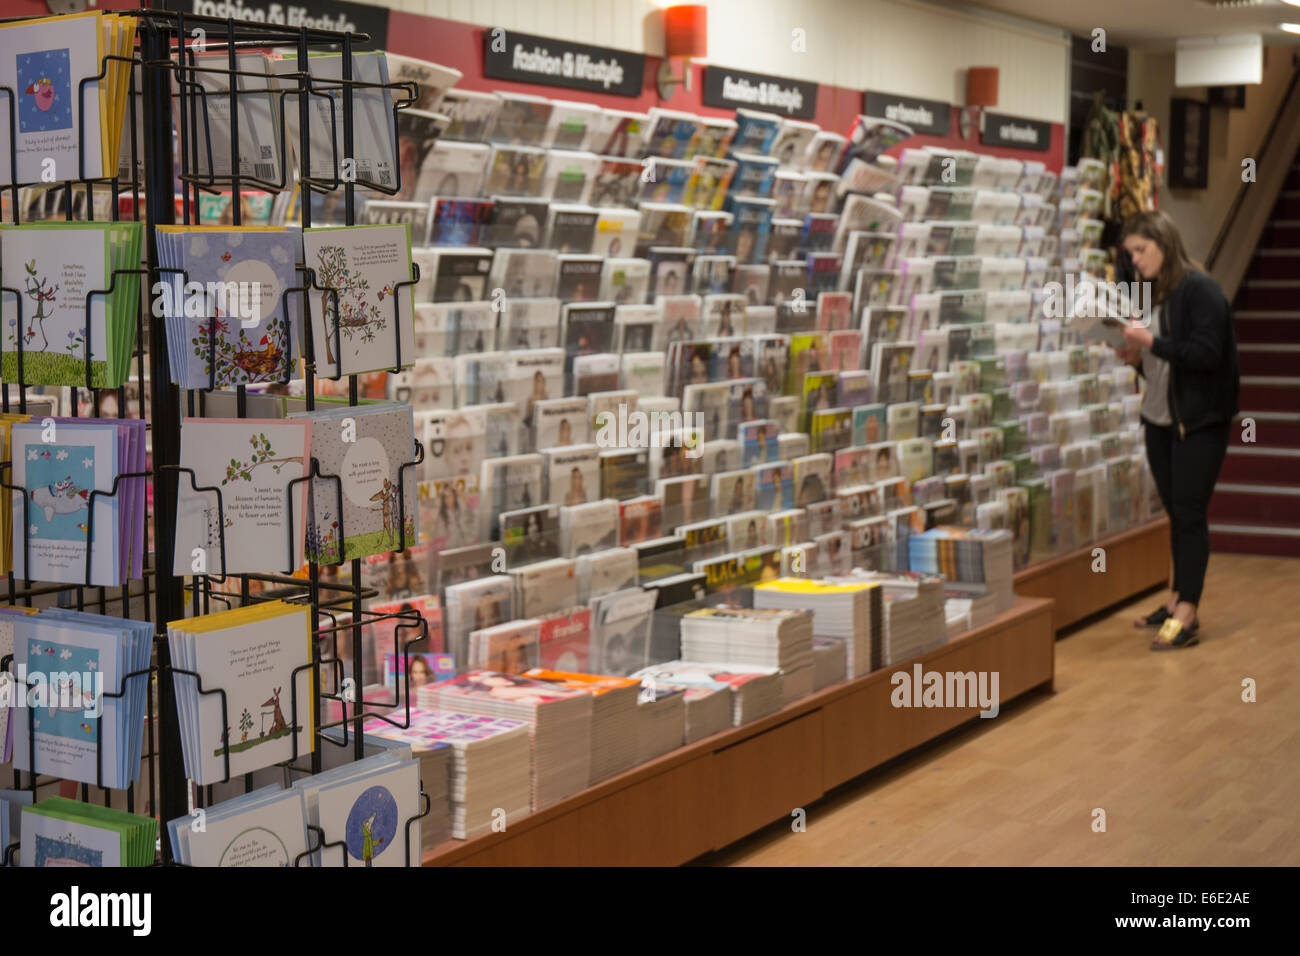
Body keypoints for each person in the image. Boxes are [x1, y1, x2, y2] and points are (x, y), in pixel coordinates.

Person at [1115, 211, 1239, 650]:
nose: (1135, 261)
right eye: (1130, 253)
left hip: (1198, 423)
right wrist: (1136, 358)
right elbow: (1162, 365)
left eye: (1141, 251)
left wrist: (1150, 343)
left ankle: (1188, 612)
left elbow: (1205, 355)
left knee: (1189, 513)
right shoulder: (1150, 294)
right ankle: (1174, 601)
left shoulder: (1200, 290)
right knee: (1176, 512)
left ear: (1164, 244)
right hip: (1159, 419)